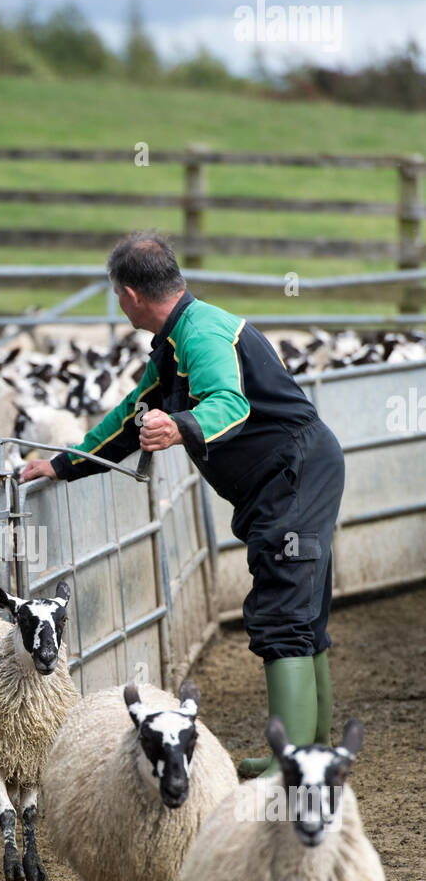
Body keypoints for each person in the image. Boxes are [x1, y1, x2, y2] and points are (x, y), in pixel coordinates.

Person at [20, 230, 345, 778]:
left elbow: (230, 402)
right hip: (292, 475)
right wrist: (64, 463)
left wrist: (182, 425)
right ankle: (306, 748)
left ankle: (292, 760)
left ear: (128, 295)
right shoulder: (174, 345)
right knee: (302, 609)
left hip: (292, 475)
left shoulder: (202, 335)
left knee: (285, 610)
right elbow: (131, 415)